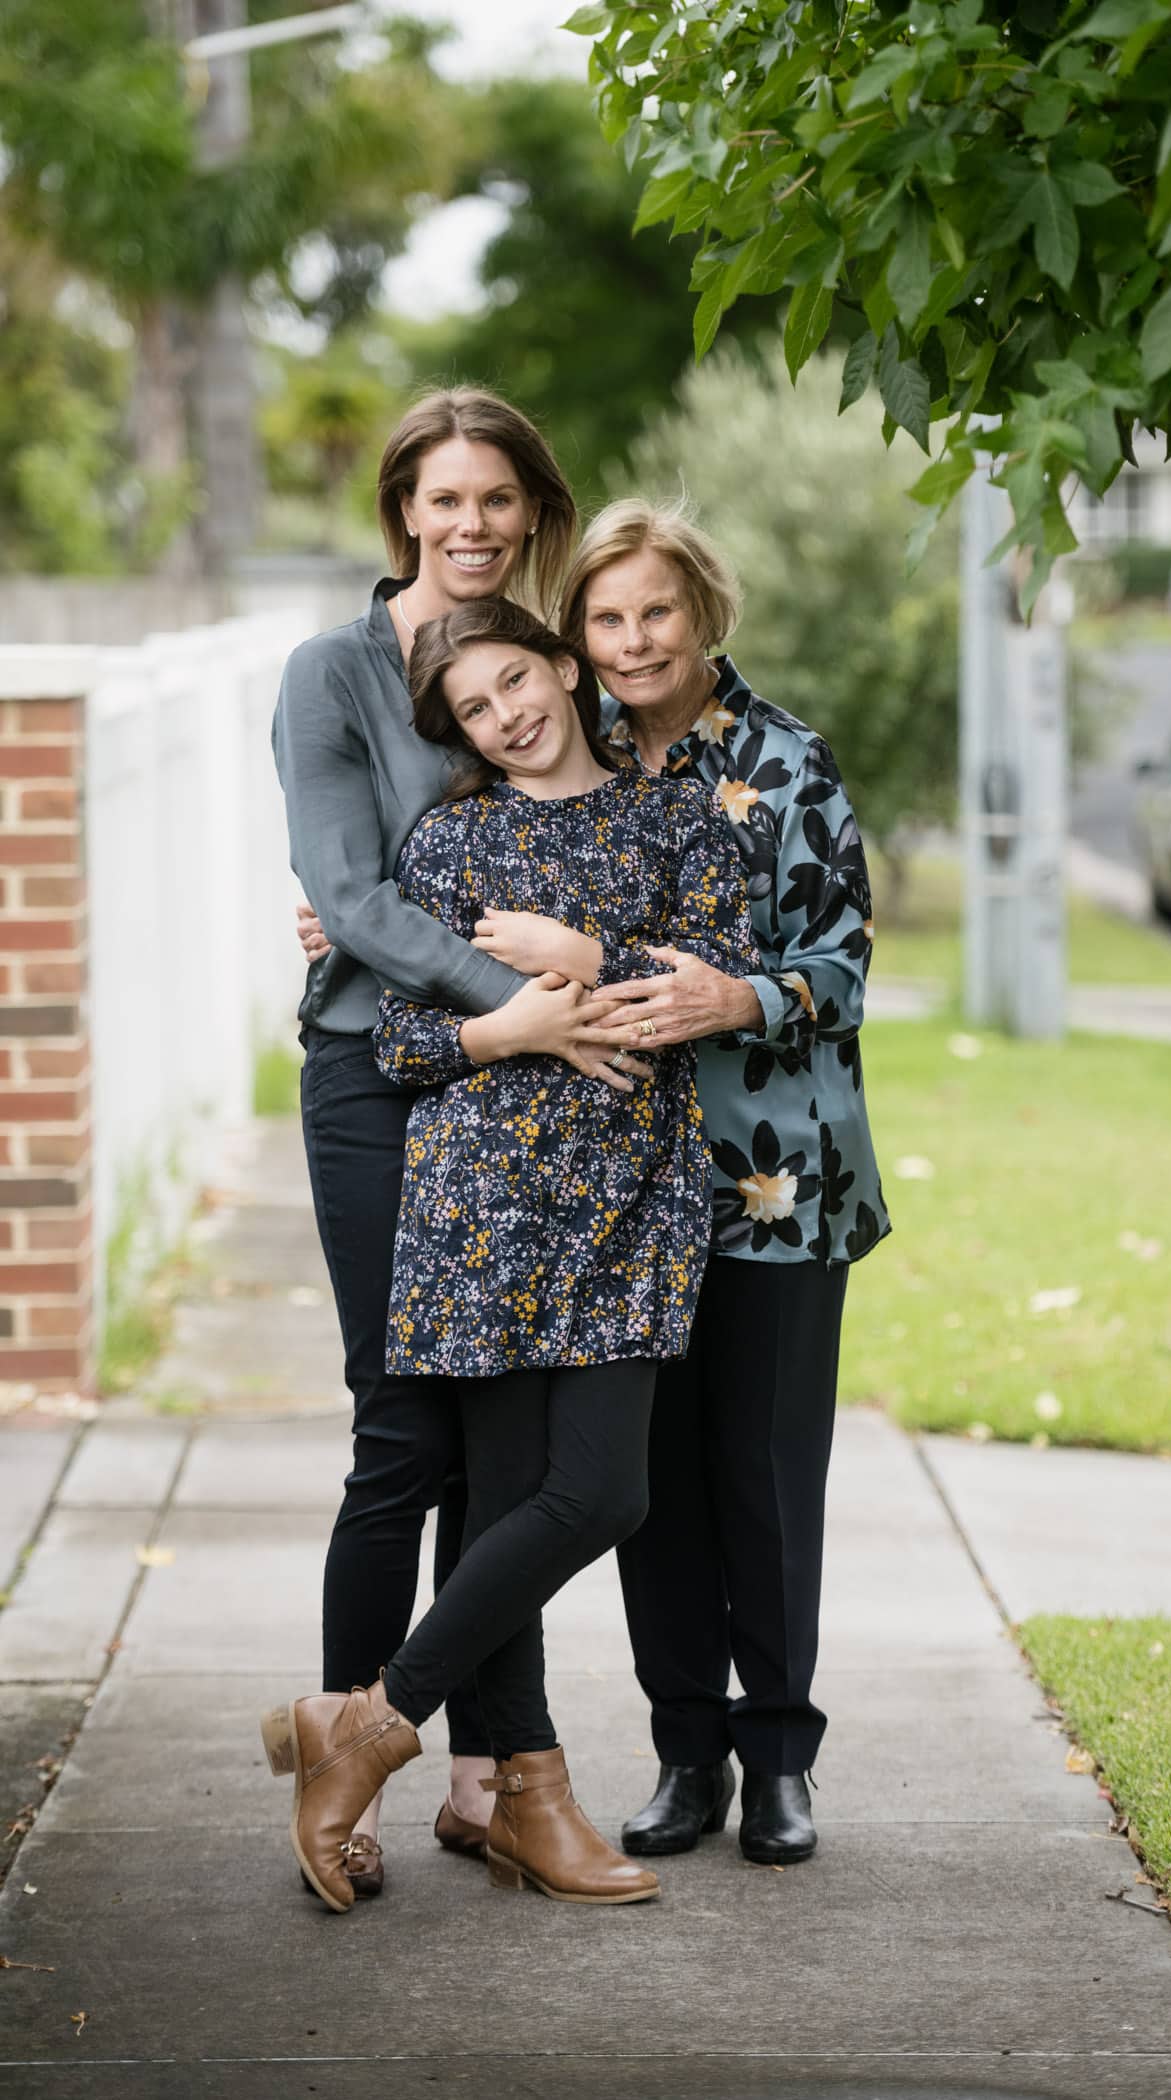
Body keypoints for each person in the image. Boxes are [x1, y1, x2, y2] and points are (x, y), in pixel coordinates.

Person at [263, 595, 760, 1914]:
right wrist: (513, 1026)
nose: (508, 716)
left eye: (515, 682)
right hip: (479, 1209)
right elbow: (396, 1044)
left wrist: (587, 957)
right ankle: (521, 1798)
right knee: (498, 1501)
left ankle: (370, 1721)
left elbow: (720, 984)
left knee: (602, 1495)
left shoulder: (676, 816)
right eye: (475, 711)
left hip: (628, 1208)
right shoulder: (450, 841)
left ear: (558, 662)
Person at [271, 388, 649, 1899]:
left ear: (534, 509)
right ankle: (347, 1760)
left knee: (510, 1449)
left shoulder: (557, 666)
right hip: (384, 1077)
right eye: (447, 499)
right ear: (402, 513)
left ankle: (493, 1778)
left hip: (526, 1110)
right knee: (405, 1434)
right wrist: (532, 999)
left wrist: (578, 985)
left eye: (501, 497)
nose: (475, 524)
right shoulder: (331, 671)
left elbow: (631, 816)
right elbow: (350, 901)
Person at [556, 500, 889, 1865]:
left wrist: (733, 994)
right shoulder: (563, 765)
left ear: (704, 615)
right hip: (622, 1189)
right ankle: (685, 1756)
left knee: (764, 1477)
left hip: (776, 1186)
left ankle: (782, 1760)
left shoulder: (788, 759)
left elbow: (847, 965)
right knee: (657, 1489)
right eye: (606, 617)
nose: (633, 641)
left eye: (656, 613)